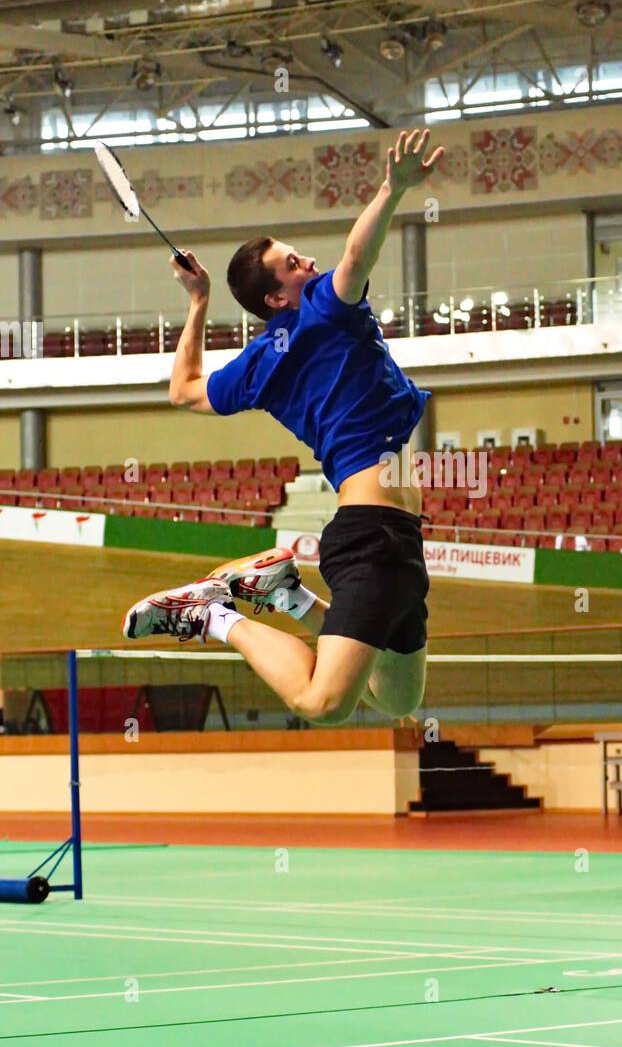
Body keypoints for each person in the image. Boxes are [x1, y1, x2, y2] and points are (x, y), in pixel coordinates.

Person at [123, 128, 444, 726]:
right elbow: (358, 256)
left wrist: (198, 302)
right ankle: (214, 617)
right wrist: (392, 190)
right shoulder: (324, 306)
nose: (310, 263)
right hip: (370, 533)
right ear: (275, 298)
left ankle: (287, 597)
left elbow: (183, 389)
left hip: (400, 537)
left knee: (398, 698)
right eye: (293, 264)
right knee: (324, 703)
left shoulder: (257, 364)